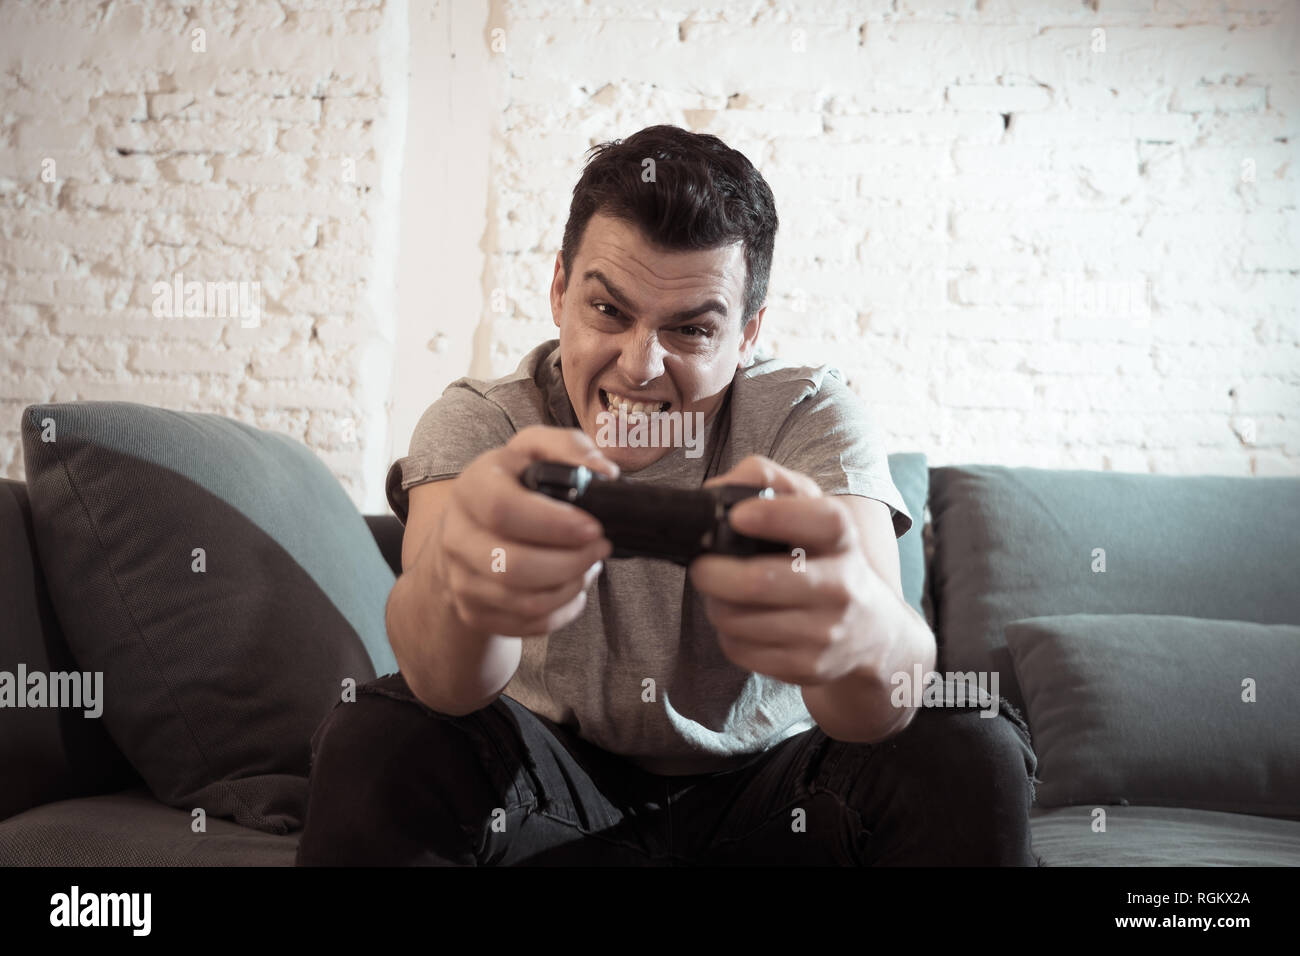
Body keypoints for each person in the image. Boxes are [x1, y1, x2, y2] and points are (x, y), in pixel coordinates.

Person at [296, 124, 1039, 866]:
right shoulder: (485, 420)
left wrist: (864, 632)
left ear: (748, 334)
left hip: (779, 802)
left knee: (966, 733)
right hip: (545, 791)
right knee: (379, 730)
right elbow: (446, 684)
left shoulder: (806, 414)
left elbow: (887, 696)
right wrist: (466, 593)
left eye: (690, 330)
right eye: (608, 312)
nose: (639, 365)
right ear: (558, 291)